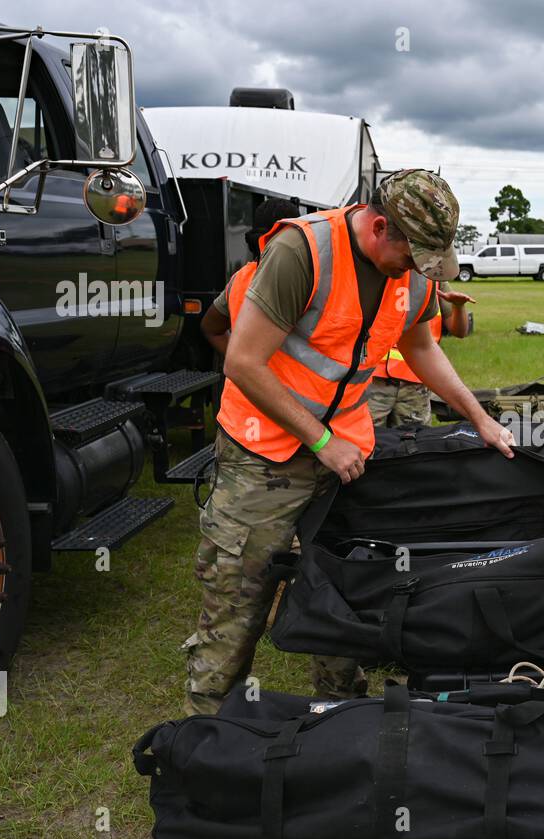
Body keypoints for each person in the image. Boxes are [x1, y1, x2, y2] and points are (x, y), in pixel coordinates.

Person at [183, 169, 513, 717]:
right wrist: (320, 441)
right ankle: (206, 731)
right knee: (241, 593)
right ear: (380, 226)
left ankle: (342, 716)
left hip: (342, 453)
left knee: (337, 583)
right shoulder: (302, 252)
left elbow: (423, 348)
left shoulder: (413, 271)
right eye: (410, 257)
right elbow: (241, 358)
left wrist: (477, 416)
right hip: (263, 454)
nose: (416, 271)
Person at [200, 197, 301, 357]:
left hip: (242, 382)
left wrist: (239, 363)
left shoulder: (240, 278)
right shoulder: (301, 278)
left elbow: (211, 328)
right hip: (280, 382)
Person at [366, 284, 475, 427]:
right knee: (368, 440)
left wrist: (458, 306)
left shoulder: (434, 281)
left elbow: (460, 331)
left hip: (415, 381)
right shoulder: (373, 271)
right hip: (373, 379)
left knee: (414, 440)